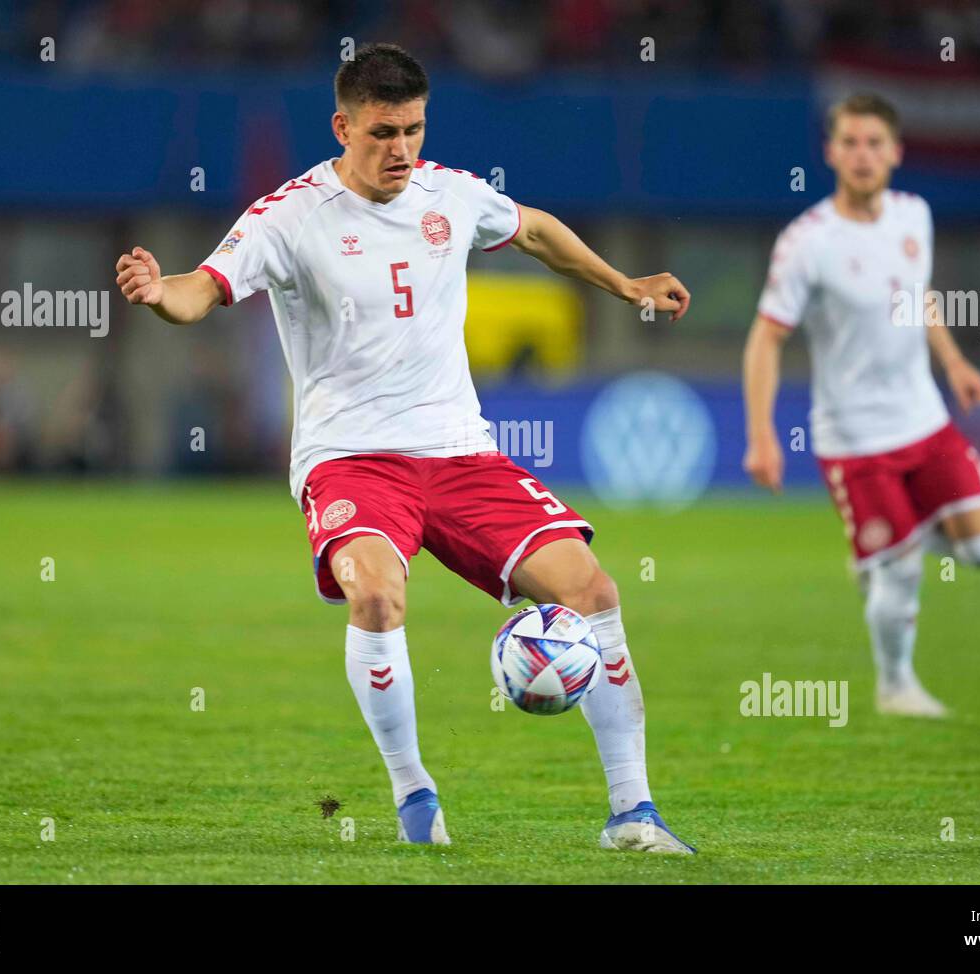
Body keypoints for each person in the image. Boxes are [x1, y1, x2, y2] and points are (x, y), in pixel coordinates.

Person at [115, 43, 695, 852]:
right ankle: (414, 795)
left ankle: (633, 815)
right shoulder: (289, 215)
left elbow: (533, 232)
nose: (401, 150)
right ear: (342, 125)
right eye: (384, 132)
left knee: (591, 594)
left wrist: (626, 284)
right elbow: (201, 291)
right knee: (378, 597)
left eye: (414, 130)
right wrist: (158, 290)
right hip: (349, 458)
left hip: (459, 452)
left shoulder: (448, 196)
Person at [742, 93, 980, 718]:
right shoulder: (806, 242)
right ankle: (896, 686)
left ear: (895, 152)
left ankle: (884, 545)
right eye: (850, 143)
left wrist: (955, 362)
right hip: (855, 438)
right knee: (899, 572)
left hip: (926, 420)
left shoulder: (914, 215)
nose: (863, 155)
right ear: (832, 152)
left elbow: (921, 299)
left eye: (874, 143)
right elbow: (766, 336)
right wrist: (761, 434)